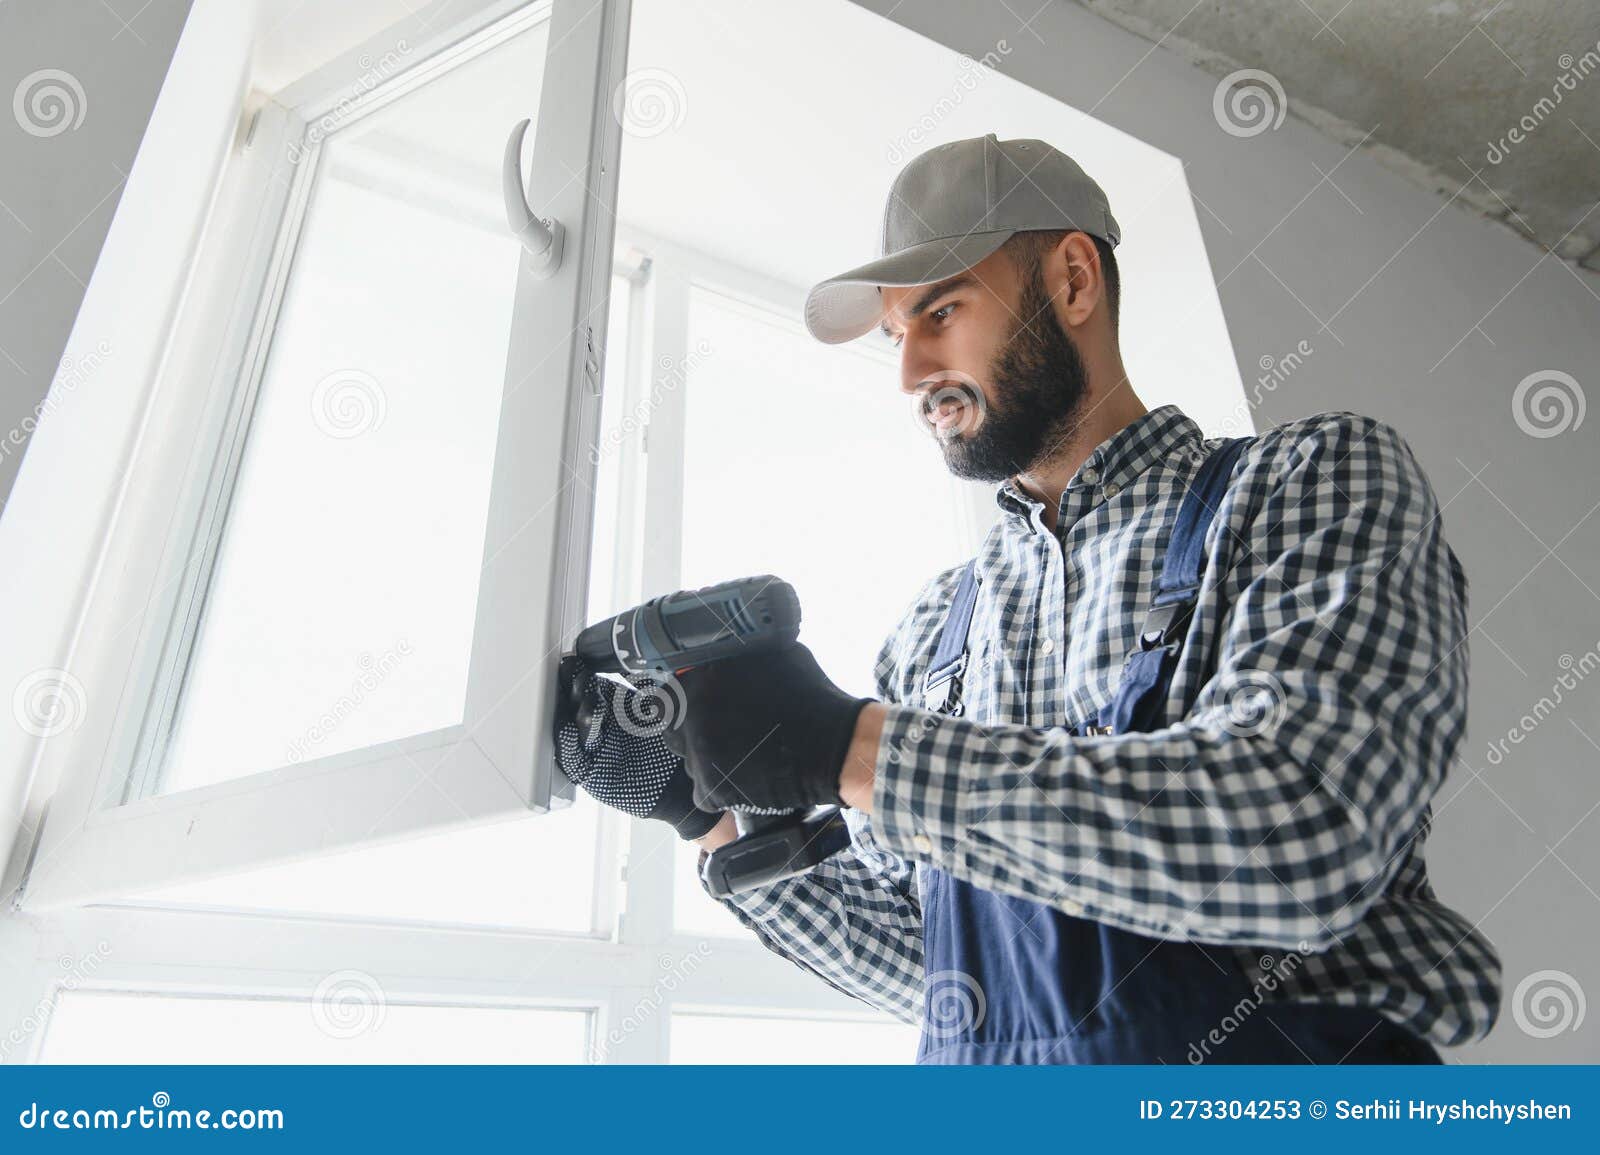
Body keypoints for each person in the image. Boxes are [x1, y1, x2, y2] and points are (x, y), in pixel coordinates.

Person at [557, 133, 1501, 1064]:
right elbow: (941, 977)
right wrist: (709, 814)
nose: (910, 375)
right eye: (896, 338)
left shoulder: (1305, 483)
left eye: (940, 313)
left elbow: (1302, 826)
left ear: (1074, 281)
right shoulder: (934, 636)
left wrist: (850, 747)